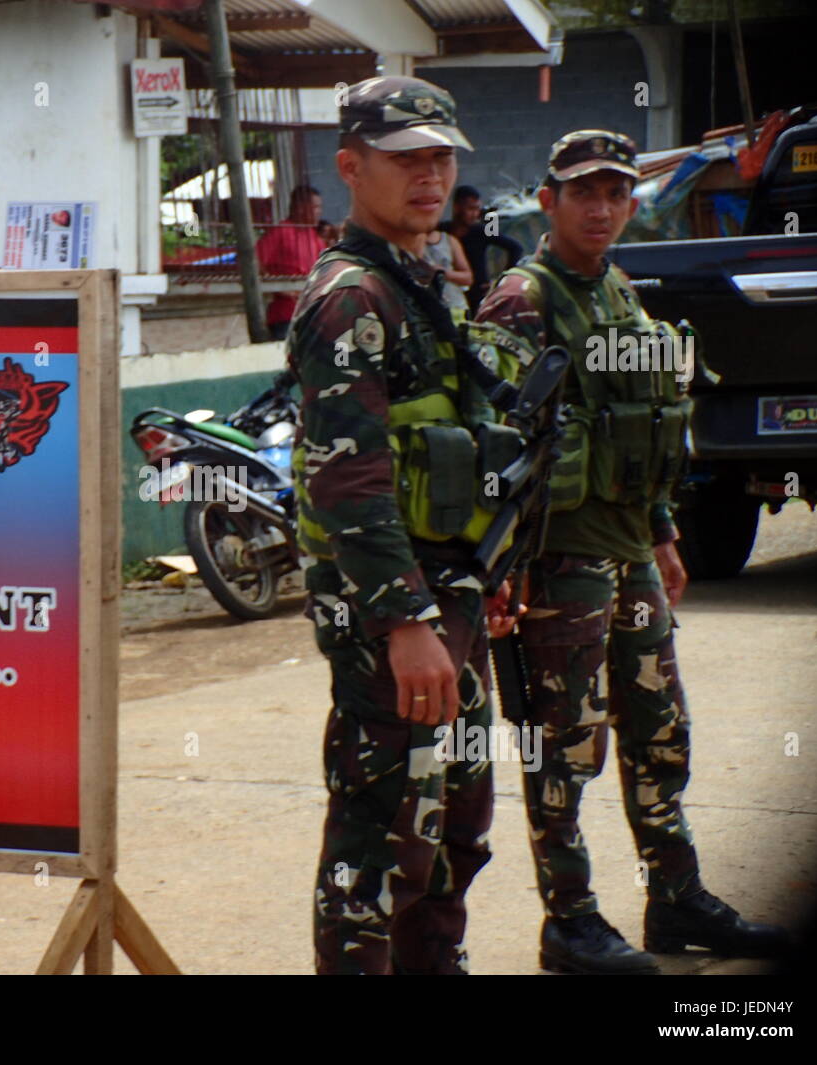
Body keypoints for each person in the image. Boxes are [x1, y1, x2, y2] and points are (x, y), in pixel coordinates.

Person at [475, 130, 792, 974]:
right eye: (585, 192)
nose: (603, 207)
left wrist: (661, 531)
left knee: (659, 729)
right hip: (558, 561)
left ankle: (676, 897)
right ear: (549, 201)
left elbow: (648, 422)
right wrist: (502, 570)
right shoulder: (519, 300)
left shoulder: (619, 288)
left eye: (617, 192)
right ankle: (570, 920)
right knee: (563, 743)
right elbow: (487, 450)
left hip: (628, 554)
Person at [288, 75, 531, 975]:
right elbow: (349, 478)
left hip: (452, 593)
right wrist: (404, 620)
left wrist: (488, 567)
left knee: (455, 821)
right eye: (404, 160)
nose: (429, 176)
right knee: (383, 834)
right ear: (352, 169)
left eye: (440, 157)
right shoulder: (353, 295)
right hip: (395, 612)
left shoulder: (423, 278)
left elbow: (457, 439)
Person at [257, 184, 327, 340]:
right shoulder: (280, 231)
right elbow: (255, 262)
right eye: (315, 207)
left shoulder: (315, 238)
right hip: (286, 316)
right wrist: (281, 288)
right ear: (300, 208)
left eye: (319, 207)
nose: (319, 212)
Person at [446, 185, 523, 314]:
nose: (474, 214)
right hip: (451, 293)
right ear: (457, 207)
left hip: (478, 294)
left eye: (477, 209)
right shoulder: (443, 231)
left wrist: (501, 281)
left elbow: (515, 248)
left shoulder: (483, 231)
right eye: (470, 209)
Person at [420, 227, 471, 323]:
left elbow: (468, 277)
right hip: (427, 310)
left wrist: (442, 272)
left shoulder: (449, 240)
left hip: (455, 306)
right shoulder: (410, 242)